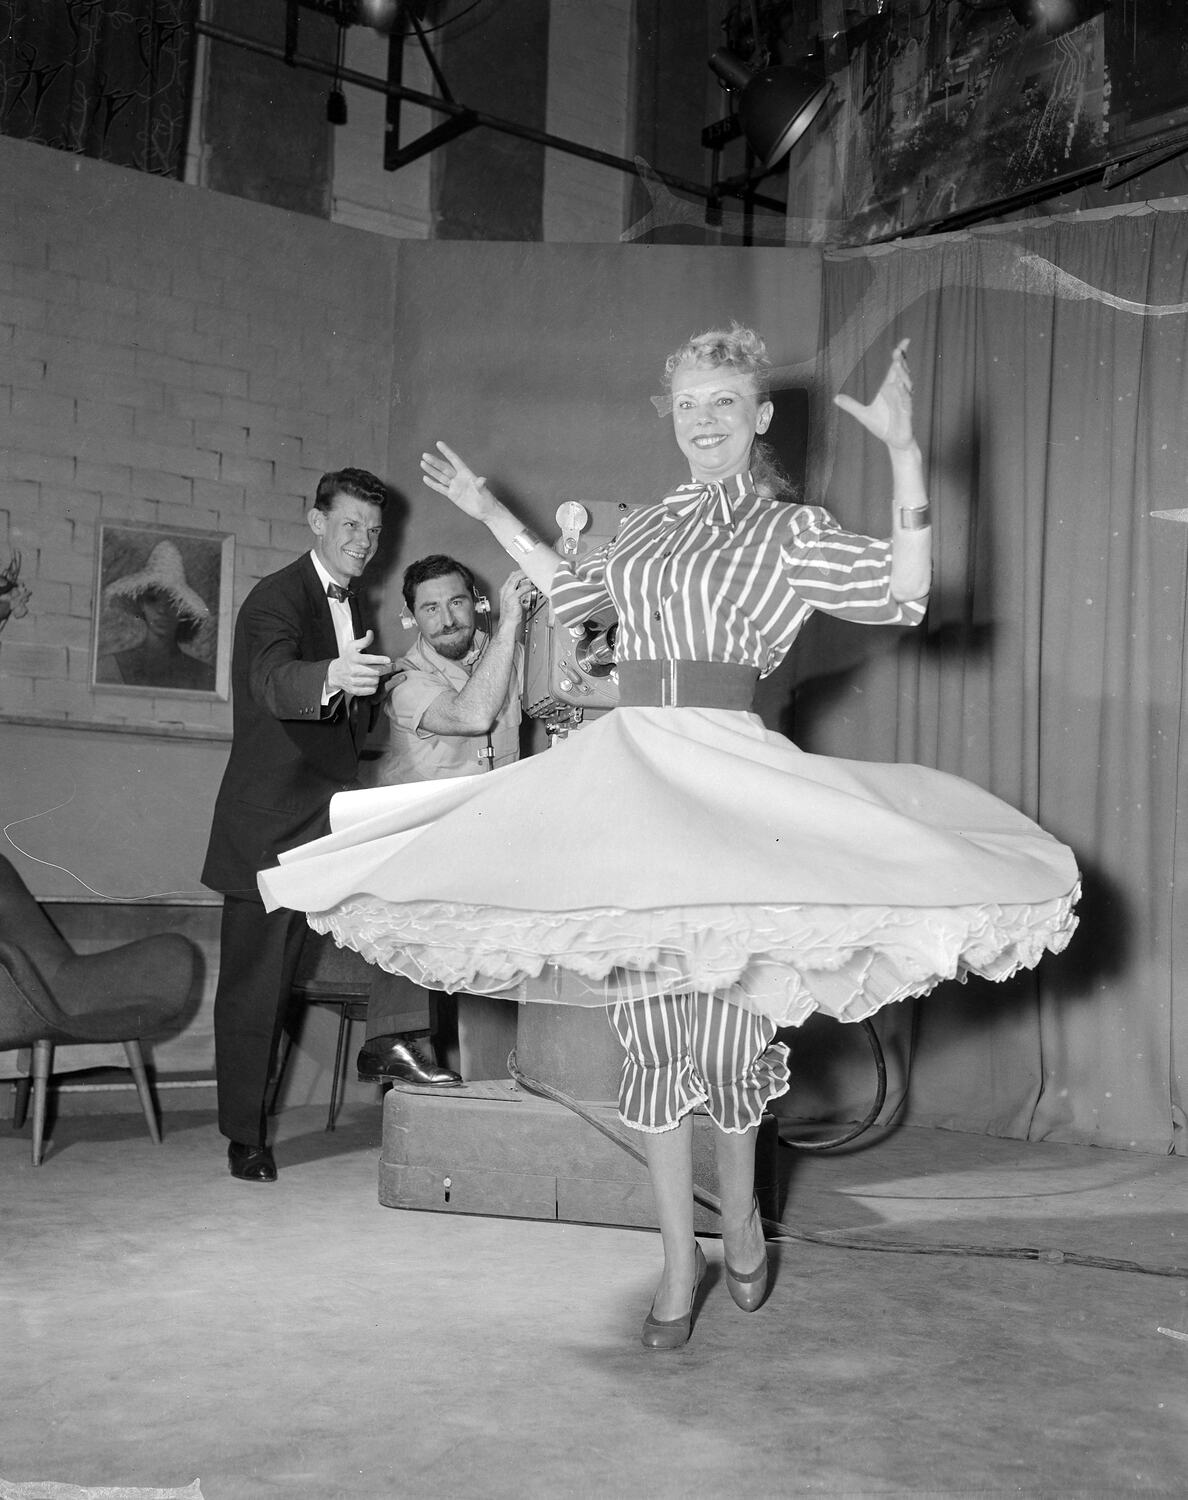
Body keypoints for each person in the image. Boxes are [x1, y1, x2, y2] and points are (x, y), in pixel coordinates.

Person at [258, 327, 1079, 1344]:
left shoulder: (788, 530)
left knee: (733, 1035)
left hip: (730, 772)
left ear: (759, 417)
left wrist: (906, 454)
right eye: (689, 403)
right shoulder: (646, 532)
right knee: (648, 1035)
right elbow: (571, 590)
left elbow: (902, 592)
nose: (703, 419)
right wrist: (486, 512)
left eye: (724, 402)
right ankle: (674, 1258)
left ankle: (739, 1222)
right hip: (637, 768)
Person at [202, 467, 394, 1183]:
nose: (363, 542)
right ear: (316, 521)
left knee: (391, 928)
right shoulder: (275, 598)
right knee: (256, 989)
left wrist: (376, 692)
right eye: (349, 525)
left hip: (331, 822)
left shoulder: (355, 602)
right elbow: (271, 679)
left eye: (373, 531)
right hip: (271, 828)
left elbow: (352, 726)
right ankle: (244, 1137)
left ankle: (400, 1062)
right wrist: (334, 678)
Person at [357, 554, 533, 1084]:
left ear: (475, 603)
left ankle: (524, 1065)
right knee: (422, 878)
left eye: (457, 602)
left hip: (488, 833)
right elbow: (472, 716)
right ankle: (389, 1041)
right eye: (429, 609)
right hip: (417, 837)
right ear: (412, 619)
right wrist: (509, 629)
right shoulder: (402, 680)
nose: (447, 618)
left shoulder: (510, 655)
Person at [95, 540, 216, 692]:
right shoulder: (110, 666)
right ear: (141, 604)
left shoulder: (205, 674)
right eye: (152, 600)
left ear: (184, 609)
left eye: (172, 601)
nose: (161, 610)